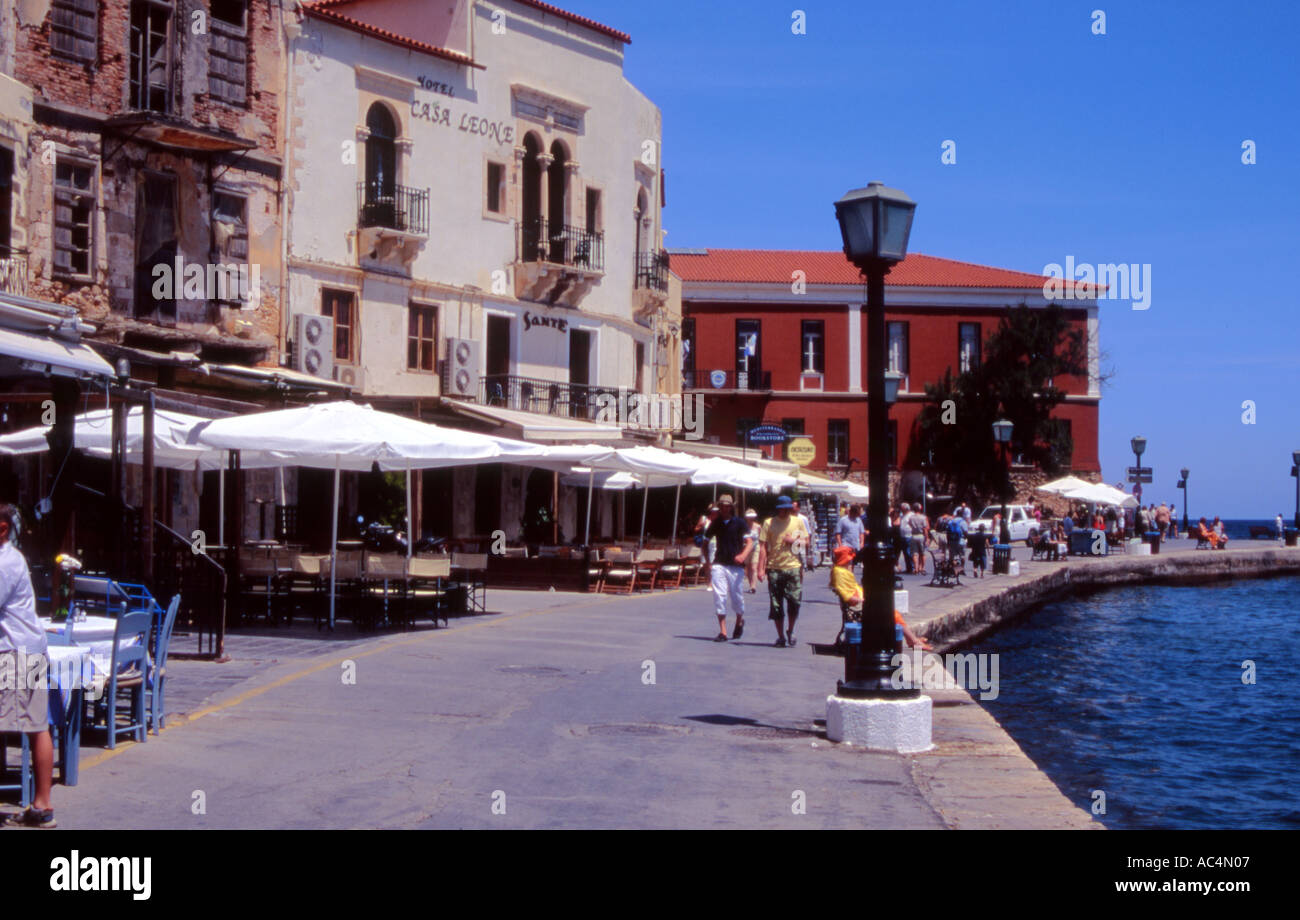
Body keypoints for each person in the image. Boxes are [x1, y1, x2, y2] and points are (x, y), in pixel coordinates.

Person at [0, 503, 56, 828]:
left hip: (16, 653)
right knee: (38, 726)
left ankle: (43, 804)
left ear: (3, 529)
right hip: (29, 648)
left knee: (30, 725)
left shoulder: (5, 562)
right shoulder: (13, 558)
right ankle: (42, 806)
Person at [829, 545, 931, 650]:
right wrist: (865, 600)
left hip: (859, 602)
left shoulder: (841, 571)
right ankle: (913, 641)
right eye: (849, 560)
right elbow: (848, 596)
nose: (851, 562)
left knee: (892, 611)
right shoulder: (840, 573)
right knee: (891, 613)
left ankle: (912, 639)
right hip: (857, 606)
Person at [758, 495, 808, 647]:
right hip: (775, 568)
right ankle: (780, 636)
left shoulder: (798, 521)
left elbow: (806, 542)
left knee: (794, 602)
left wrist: (793, 541)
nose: (785, 512)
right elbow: (763, 547)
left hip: (793, 567)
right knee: (776, 605)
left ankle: (790, 630)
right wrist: (761, 569)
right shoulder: (769, 523)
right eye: (782, 509)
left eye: (787, 509)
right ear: (778, 509)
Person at [704, 495, 752, 642]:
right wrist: (708, 562)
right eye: (722, 506)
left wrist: (743, 556)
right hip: (719, 564)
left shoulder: (739, 523)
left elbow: (749, 542)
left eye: (727, 506)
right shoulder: (715, 523)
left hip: (735, 566)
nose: (725, 508)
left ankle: (739, 621)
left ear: (731, 507)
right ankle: (723, 631)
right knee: (720, 596)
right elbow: (705, 543)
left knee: (737, 597)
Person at [834, 504, 866, 574]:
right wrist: (840, 545)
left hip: (855, 546)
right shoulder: (843, 520)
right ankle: (848, 580)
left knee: (852, 564)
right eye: (857, 514)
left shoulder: (858, 520)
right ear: (852, 512)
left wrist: (862, 542)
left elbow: (861, 532)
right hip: (846, 545)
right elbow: (838, 533)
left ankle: (849, 579)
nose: (858, 515)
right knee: (848, 564)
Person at [791, 500, 817, 571]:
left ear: (798, 508)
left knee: (801, 563)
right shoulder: (788, 518)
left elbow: (808, 532)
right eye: (792, 506)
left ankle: (800, 577)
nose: (793, 508)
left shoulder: (803, 518)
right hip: (791, 543)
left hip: (801, 543)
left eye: (794, 506)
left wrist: (807, 543)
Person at [743, 508, 761, 592]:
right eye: (749, 517)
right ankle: (751, 585)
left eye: (752, 517)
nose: (751, 518)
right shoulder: (743, 526)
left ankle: (753, 587)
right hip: (746, 548)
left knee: (754, 567)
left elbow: (761, 538)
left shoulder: (758, 526)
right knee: (748, 567)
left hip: (755, 547)